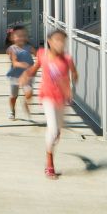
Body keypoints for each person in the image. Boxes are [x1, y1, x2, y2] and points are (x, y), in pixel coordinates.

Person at [20, 29, 78, 179]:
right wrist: (26, 76)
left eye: (63, 41)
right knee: (52, 130)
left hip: (61, 99)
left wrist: (70, 88)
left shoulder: (67, 59)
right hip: (47, 97)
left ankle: (54, 136)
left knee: (57, 132)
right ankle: (49, 164)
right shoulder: (42, 55)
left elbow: (74, 74)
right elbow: (34, 68)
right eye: (57, 40)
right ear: (49, 42)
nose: (60, 44)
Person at [5, 26, 35, 120]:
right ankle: (12, 110)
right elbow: (14, 62)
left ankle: (25, 103)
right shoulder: (12, 49)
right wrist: (22, 64)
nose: (21, 38)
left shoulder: (29, 47)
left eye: (23, 35)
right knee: (14, 96)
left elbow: (39, 55)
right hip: (15, 76)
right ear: (12, 38)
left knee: (29, 93)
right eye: (18, 36)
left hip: (27, 76)